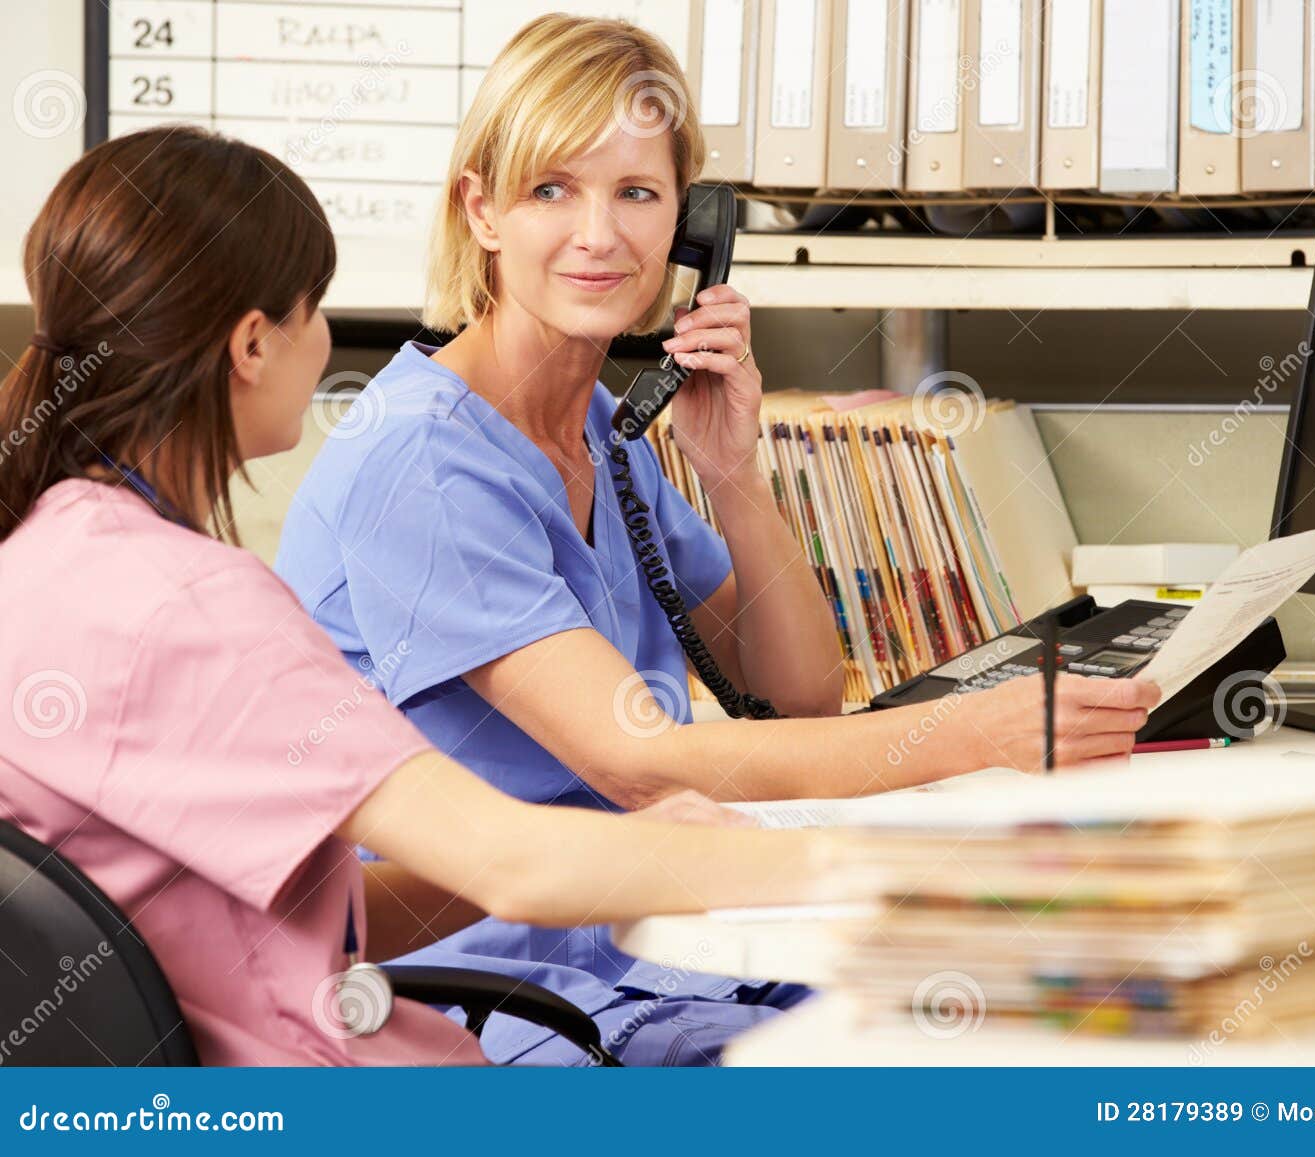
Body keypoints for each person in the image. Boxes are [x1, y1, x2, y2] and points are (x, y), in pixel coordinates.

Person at [275, 14, 1160, 1065]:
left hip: (652, 927)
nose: (600, 235)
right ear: (482, 209)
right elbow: (639, 765)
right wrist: (981, 734)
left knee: (1077, 998)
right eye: (552, 189)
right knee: (934, 1053)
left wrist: (736, 470)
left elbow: (796, 693)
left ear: (687, 229)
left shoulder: (605, 427)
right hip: (487, 976)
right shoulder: (424, 459)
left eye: (636, 193)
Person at [0, 126, 832, 1067]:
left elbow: (308, 910)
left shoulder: (47, 558)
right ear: (252, 344)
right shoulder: (200, 607)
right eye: (315, 308)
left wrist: (626, 848)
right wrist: (910, 869)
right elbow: (508, 862)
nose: (327, 342)